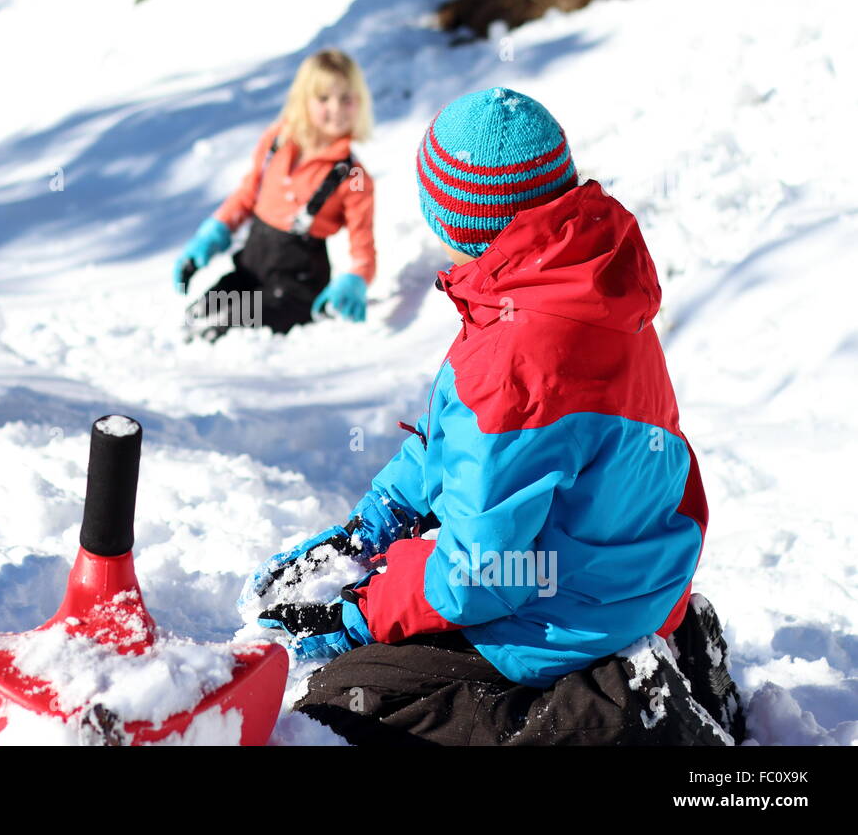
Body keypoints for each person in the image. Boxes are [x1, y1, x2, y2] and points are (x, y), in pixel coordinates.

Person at [243, 87, 746, 745]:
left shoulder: (515, 353)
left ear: (462, 222)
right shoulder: (579, 282)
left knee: (349, 702)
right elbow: (464, 439)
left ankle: (616, 706)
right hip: (636, 568)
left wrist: (363, 610)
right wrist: (379, 519)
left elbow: (479, 576)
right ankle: (671, 650)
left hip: (566, 615)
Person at [174, 49, 375, 341]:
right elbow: (247, 195)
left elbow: (363, 245)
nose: (337, 108)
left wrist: (356, 280)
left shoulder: (353, 176)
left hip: (297, 289)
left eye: (346, 98)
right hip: (250, 270)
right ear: (303, 100)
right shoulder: (277, 142)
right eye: (323, 98)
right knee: (196, 317)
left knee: (225, 330)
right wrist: (212, 235)